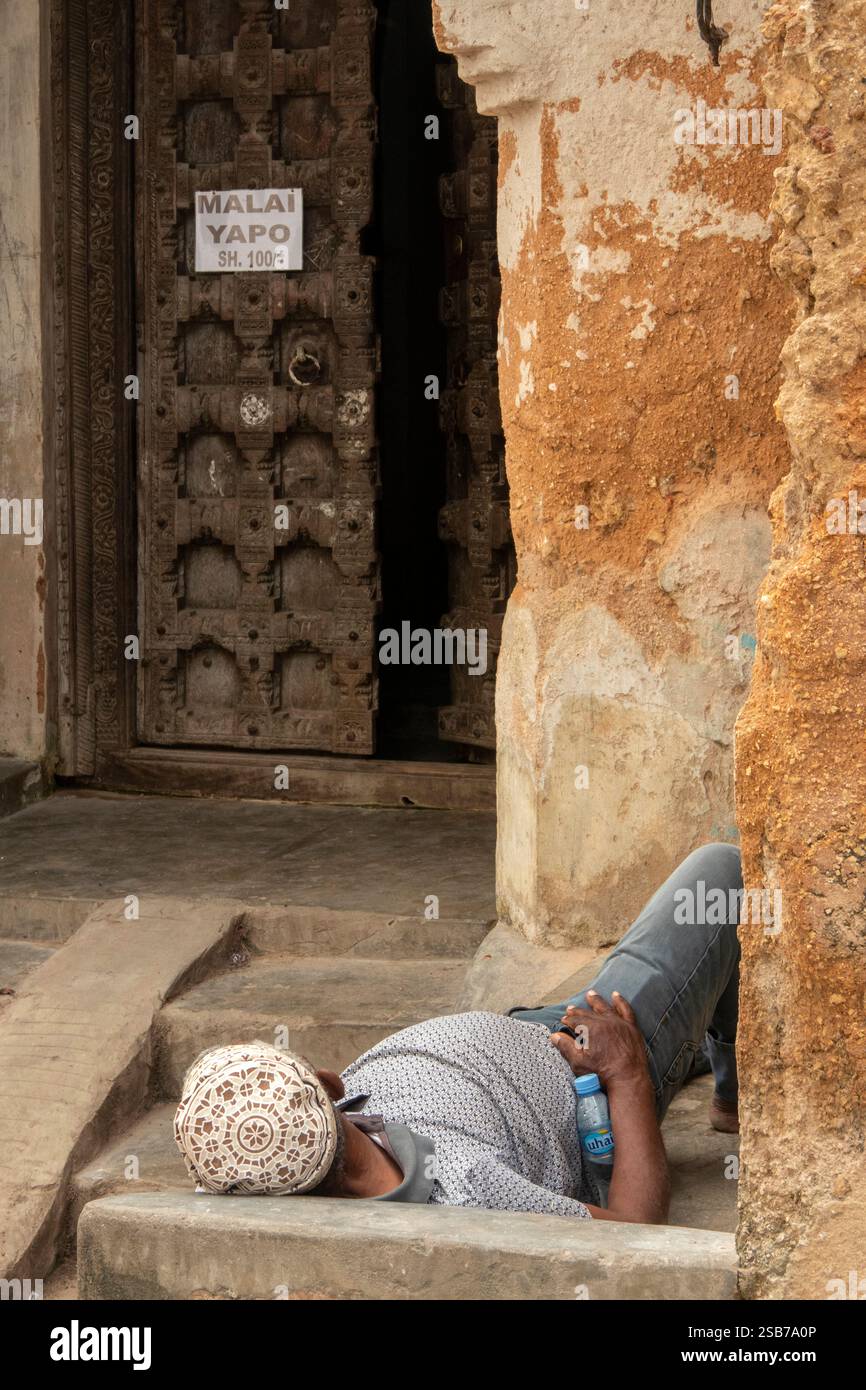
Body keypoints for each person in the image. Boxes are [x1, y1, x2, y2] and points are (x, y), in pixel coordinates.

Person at [174, 843, 743, 1226]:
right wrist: (629, 1076)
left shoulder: (292, 1156)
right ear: (327, 1084)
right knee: (718, 877)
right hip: (588, 1067)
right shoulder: (466, 1189)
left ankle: (691, 1044)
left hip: (519, 1035)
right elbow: (632, 1232)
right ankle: (726, 1085)